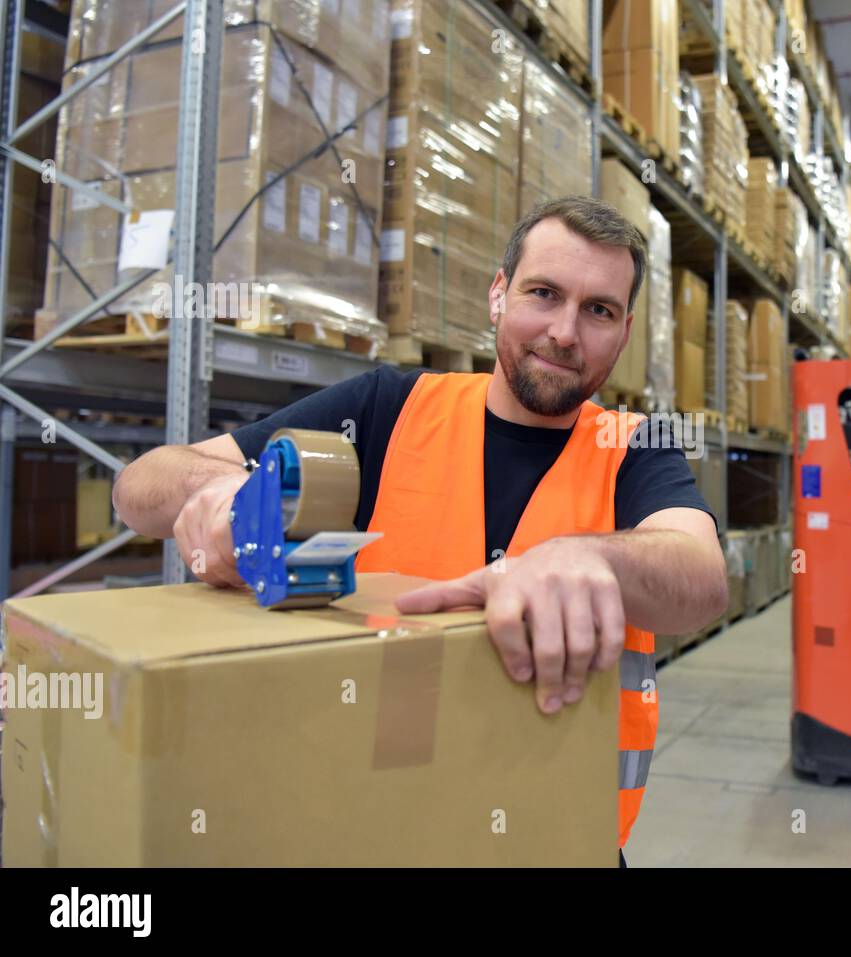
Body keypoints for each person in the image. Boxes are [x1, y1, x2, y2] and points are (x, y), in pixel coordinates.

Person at [113, 196, 730, 861]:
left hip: (558, 838)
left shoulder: (634, 446)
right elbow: (138, 487)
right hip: (381, 829)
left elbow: (700, 578)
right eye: (543, 293)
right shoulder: (389, 409)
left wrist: (587, 556)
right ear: (498, 294)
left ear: (625, 331)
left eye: (598, 310)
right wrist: (223, 490)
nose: (564, 332)